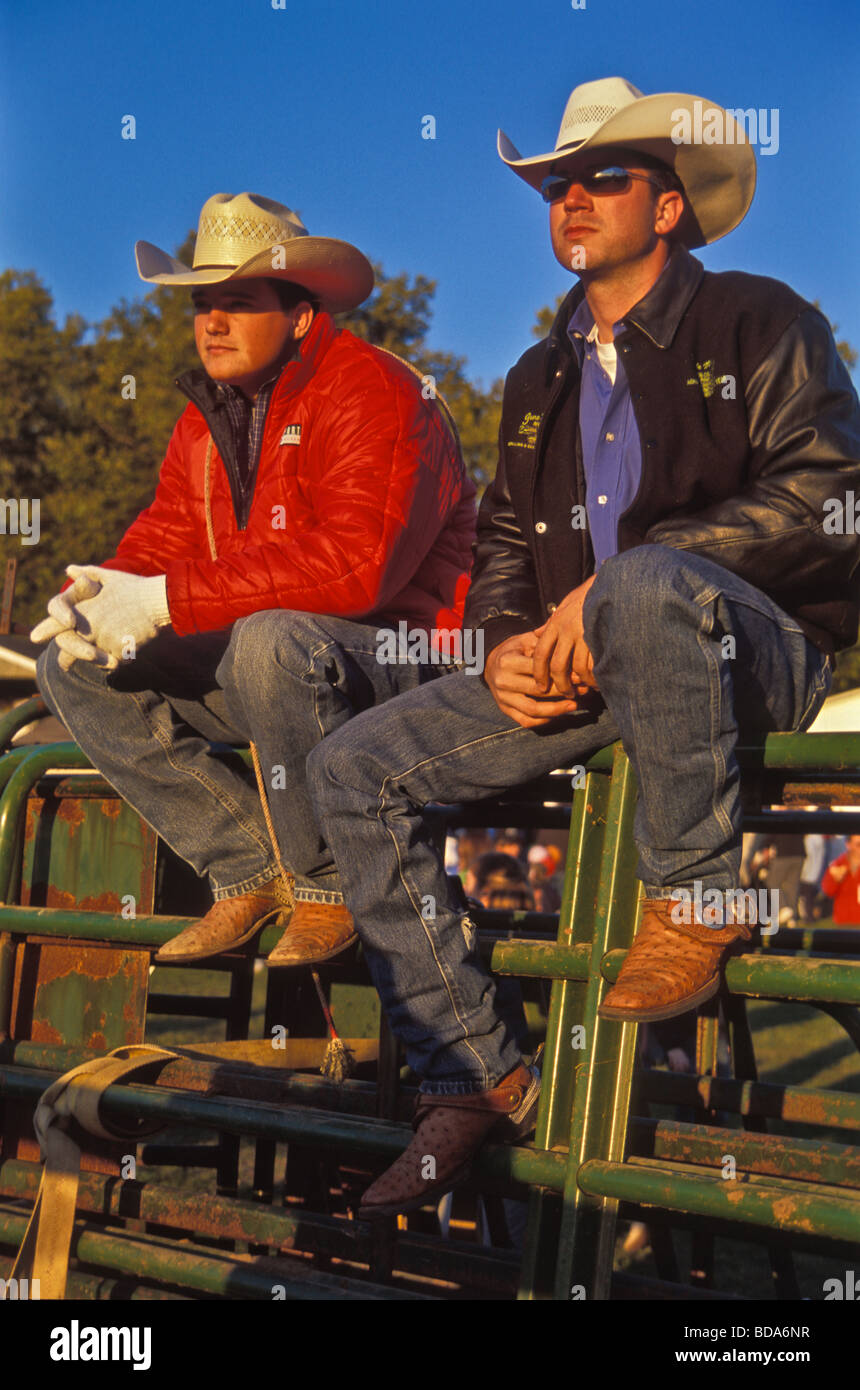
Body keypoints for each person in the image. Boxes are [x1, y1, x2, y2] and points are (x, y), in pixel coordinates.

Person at [304, 76, 860, 1218]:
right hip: (593, 662)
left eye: (601, 177)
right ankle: (473, 1070)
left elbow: (825, 497)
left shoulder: (761, 317)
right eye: (556, 182)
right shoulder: (533, 375)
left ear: (666, 207)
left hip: (753, 646)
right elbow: (505, 543)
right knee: (347, 767)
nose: (570, 198)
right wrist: (506, 640)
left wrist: (609, 592)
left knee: (649, 577)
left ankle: (699, 899)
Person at [31, 191, 476, 967]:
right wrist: (94, 598)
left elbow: (355, 568)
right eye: (203, 304)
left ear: (302, 315)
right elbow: (163, 539)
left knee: (269, 642)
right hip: (279, 669)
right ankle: (246, 868)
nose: (212, 322)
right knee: (69, 666)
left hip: (411, 667)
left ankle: (332, 885)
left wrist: (166, 599)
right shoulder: (202, 422)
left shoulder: (376, 390)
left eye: (237, 302)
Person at [821, 837, 860, 925]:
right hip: (843, 922)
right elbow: (828, 891)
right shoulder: (838, 865)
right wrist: (835, 880)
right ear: (848, 845)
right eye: (858, 845)